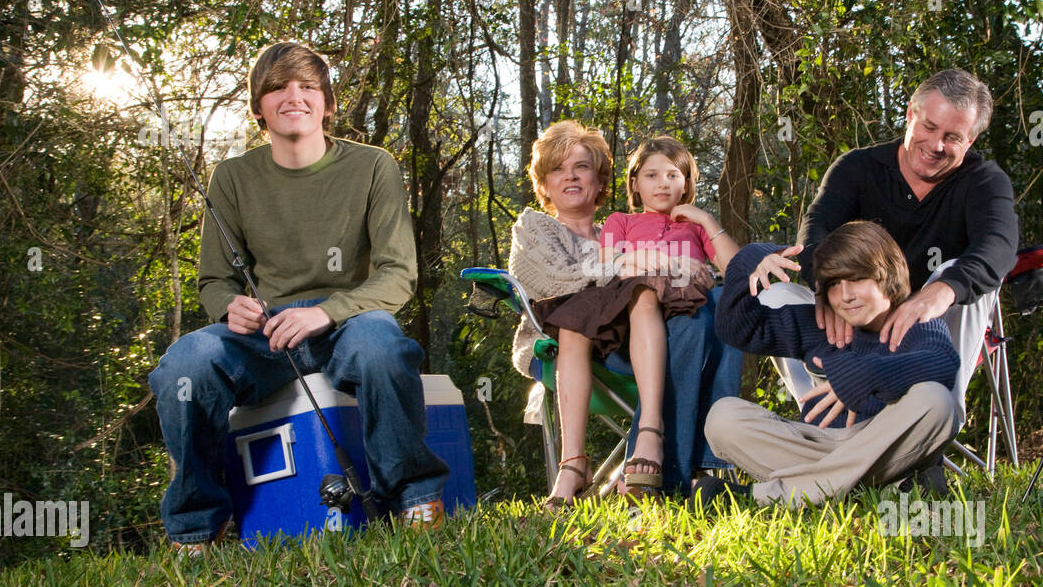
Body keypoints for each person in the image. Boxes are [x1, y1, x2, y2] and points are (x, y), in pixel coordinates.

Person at [149, 42, 448, 553]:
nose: (294, 97)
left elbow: (398, 275)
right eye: (277, 87)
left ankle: (414, 499)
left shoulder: (373, 166)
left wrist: (324, 312)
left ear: (328, 103)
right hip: (267, 336)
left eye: (308, 86)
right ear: (258, 105)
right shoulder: (232, 177)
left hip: (349, 322)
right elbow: (214, 280)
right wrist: (229, 306)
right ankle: (197, 529)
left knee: (382, 345)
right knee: (186, 363)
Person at [509, 122, 742, 505]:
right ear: (544, 183)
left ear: (600, 181)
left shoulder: (622, 230)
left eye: (581, 167)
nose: (570, 176)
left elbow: (678, 280)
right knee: (603, 312)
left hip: (633, 346)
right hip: (566, 347)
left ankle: (687, 467)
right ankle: (593, 465)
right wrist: (637, 261)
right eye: (557, 169)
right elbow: (554, 279)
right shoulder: (535, 226)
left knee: (707, 313)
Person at [703, 222, 961, 507]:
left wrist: (865, 375)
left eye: (858, 279)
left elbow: (942, 363)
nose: (846, 295)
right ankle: (887, 488)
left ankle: (762, 498)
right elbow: (736, 329)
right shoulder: (823, 325)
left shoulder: (916, 324)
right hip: (820, 443)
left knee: (937, 401)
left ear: (887, 275)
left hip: (884, 442)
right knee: (722, 417)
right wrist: (750, 260)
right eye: (835, 284)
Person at [790, 68, 1018, 369]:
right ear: (911, 114)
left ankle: (940, 409)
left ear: (971, 140)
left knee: (961, 278)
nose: (936, 146)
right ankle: (815, 407)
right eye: (929, 127)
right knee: (778, 296)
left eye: (952, 137)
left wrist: (944, 290)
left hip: (934, 328)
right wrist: (828, 288)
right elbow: (815, 230)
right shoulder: (857, 167)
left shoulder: (984, 182)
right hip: (854, 316)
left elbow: (998, 246)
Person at [601, 136, 740, 316]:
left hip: (692, 301)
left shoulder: (695, 226)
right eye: (651, 175)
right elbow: (604, 261)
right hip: (639, 305)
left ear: (685, 186)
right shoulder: (621, 220)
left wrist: (707, 220)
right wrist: (640, 257)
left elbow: (738, 271)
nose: (663, 183)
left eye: (673, 175)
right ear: (635, 184)